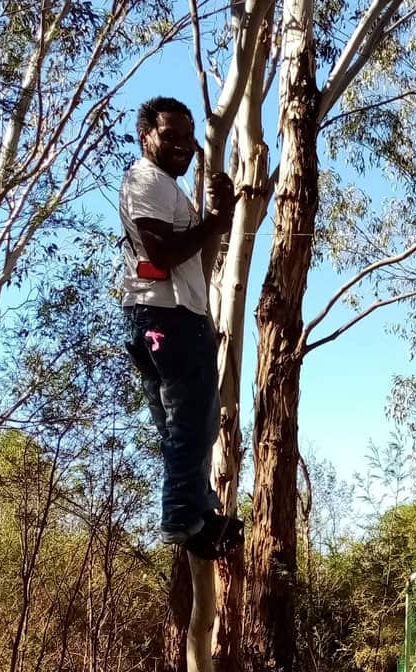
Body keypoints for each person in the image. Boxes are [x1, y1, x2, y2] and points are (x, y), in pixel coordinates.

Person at [121, 96, 242, 560]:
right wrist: (214, 222)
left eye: (188, 138)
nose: (181, 145)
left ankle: (198, 518)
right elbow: (162, 252)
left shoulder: (165, 187)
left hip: (158, 318)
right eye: (169, 135)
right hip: (168, 318)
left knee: (182, 429)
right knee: (193, 424)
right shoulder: (147, 179)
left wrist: (216, 215)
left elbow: (189, 247)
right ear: (145, 136)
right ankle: (181, 517)